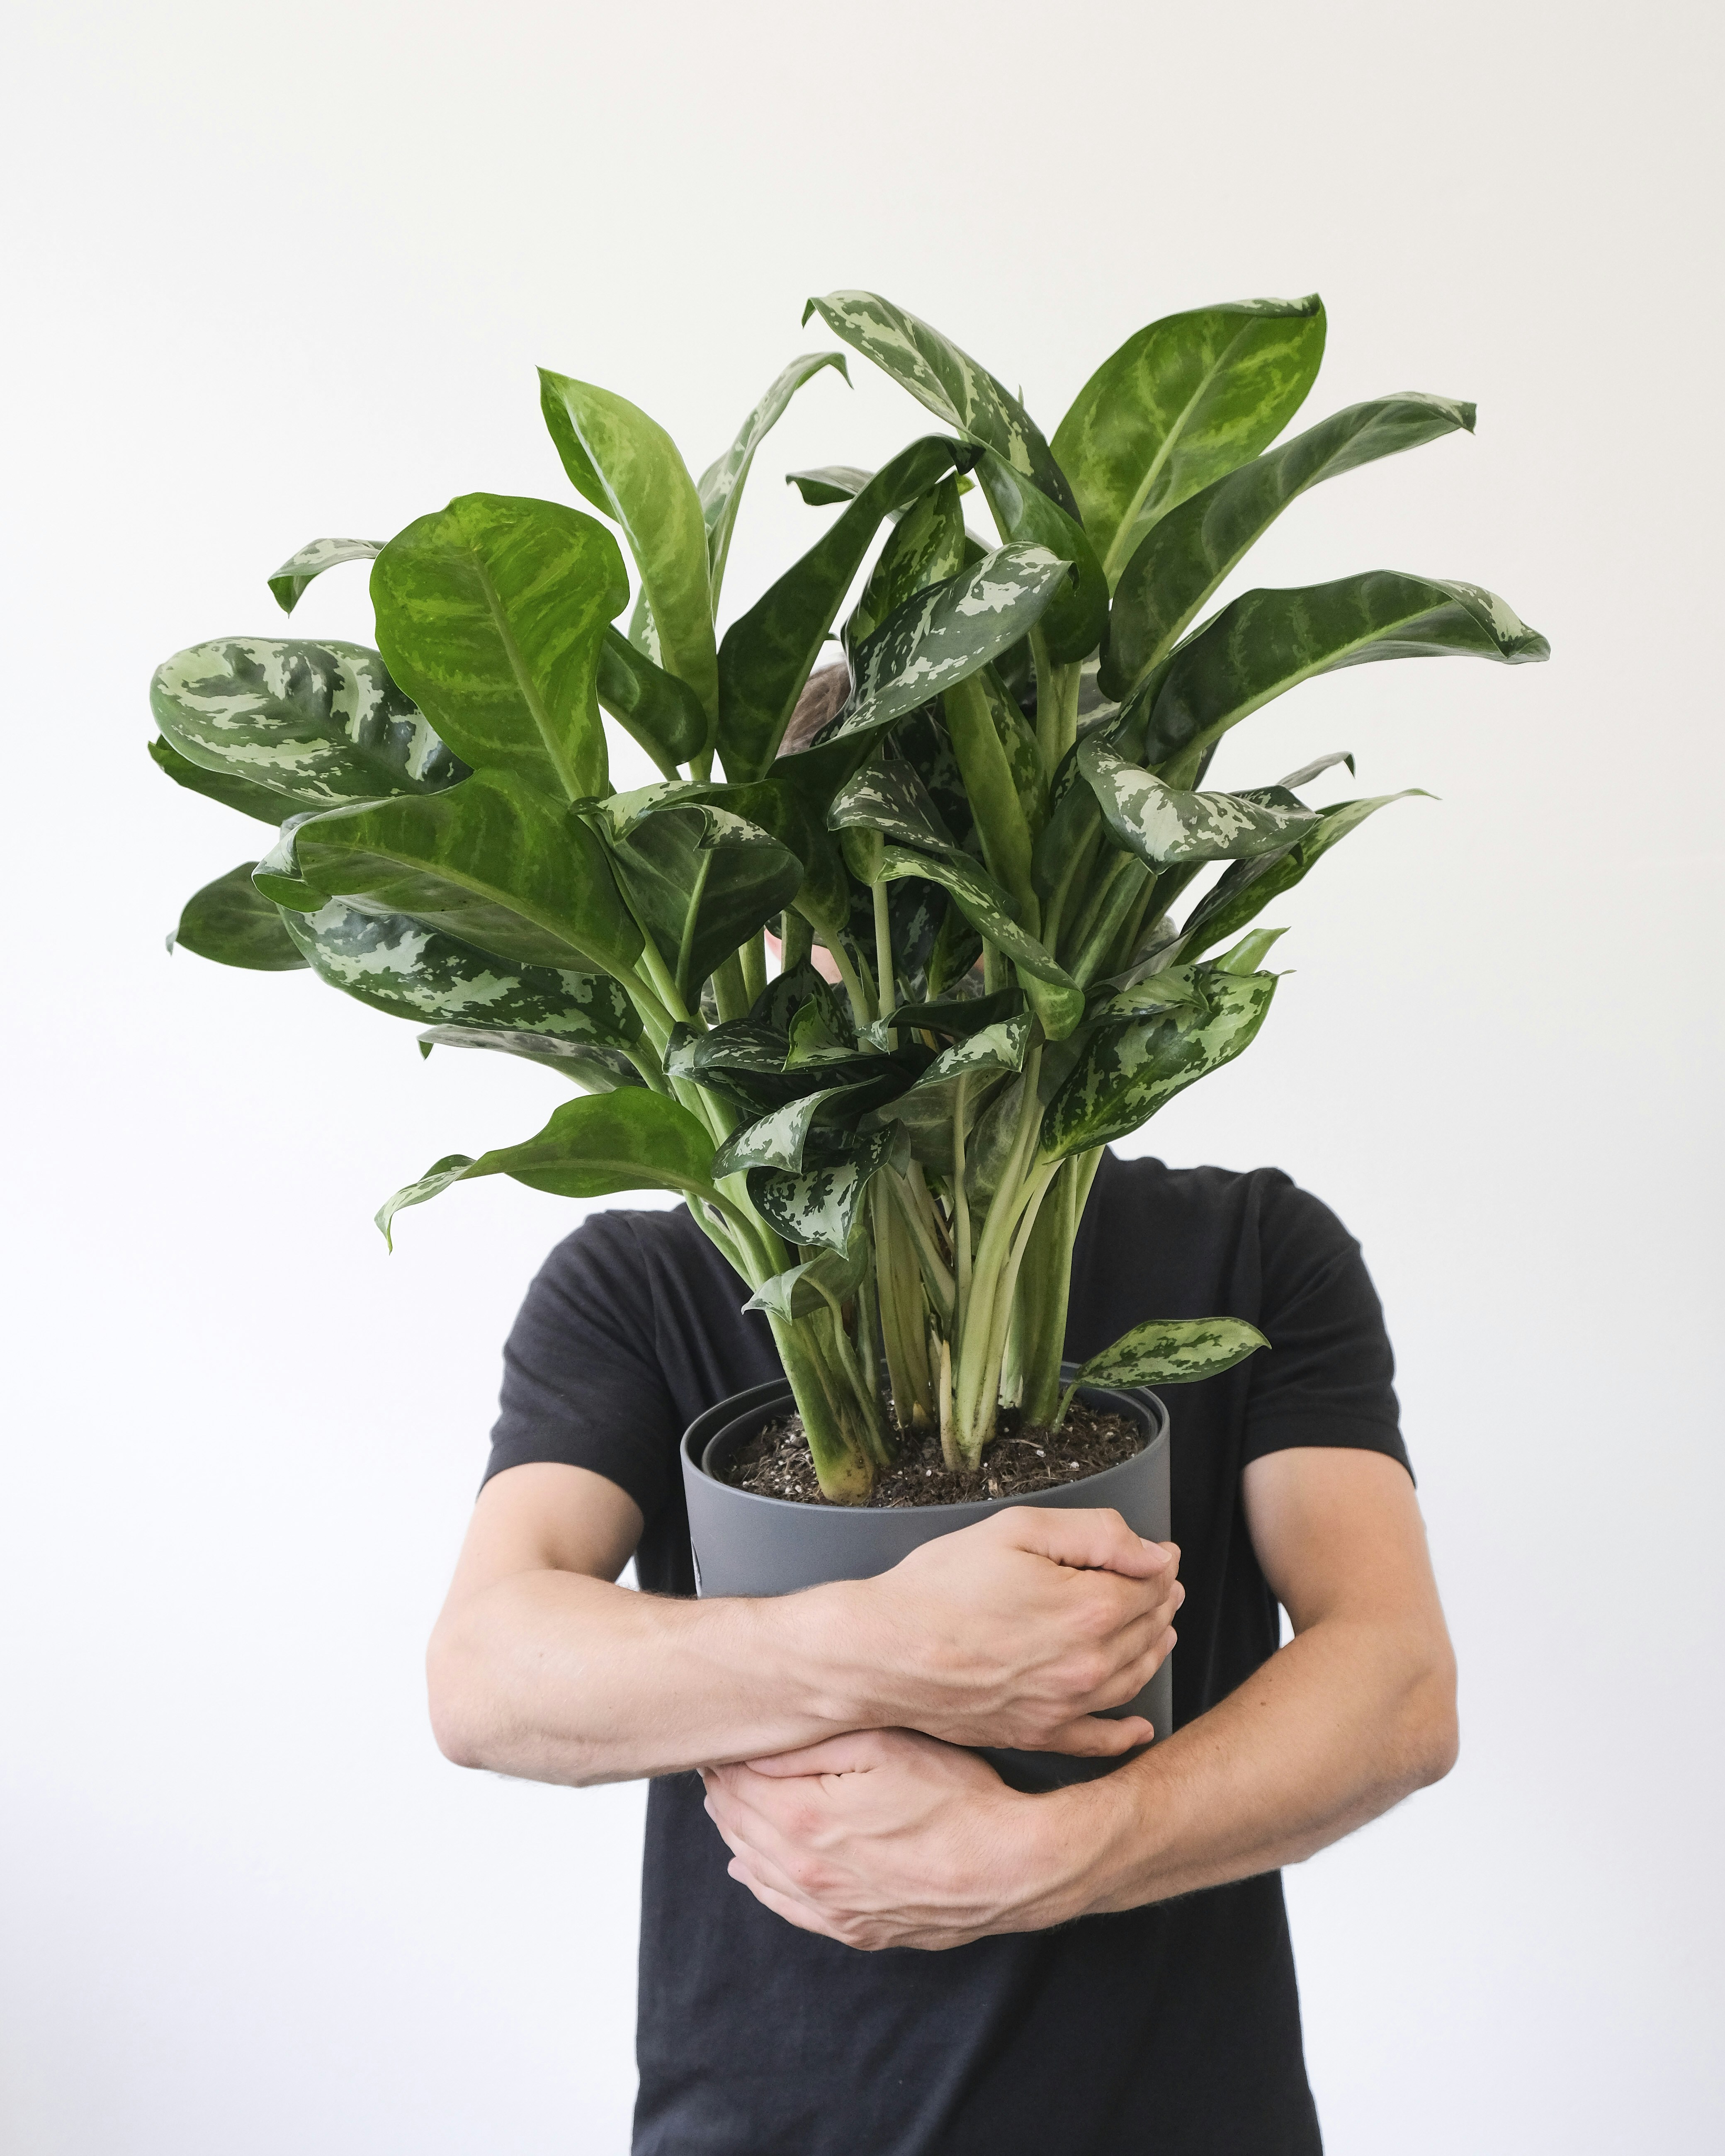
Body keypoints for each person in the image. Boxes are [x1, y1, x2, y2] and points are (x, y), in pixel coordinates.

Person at [427, 1145, 1458, 2156]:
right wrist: (889, 1642)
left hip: (1178, 2114)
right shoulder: (645, 1277)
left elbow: (1397, 1681)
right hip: (764, 2117)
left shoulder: (1251, 1247)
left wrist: (1039, 1859)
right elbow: (487, 1674)